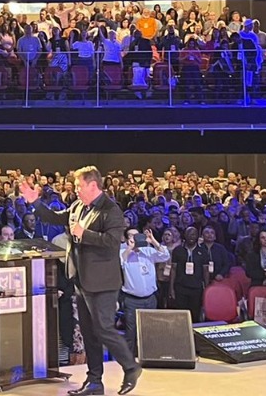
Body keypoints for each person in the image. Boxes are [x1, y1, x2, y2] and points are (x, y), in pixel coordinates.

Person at [19, 166, 142, 396]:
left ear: (93, 185)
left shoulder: (110, 209)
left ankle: (131, 367)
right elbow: (55, 218)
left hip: (103, 282)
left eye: (79, 185)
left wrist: (84, 233)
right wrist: (35, 202)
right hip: (81, 280)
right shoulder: (77, 206)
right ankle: (94, 381)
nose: (75, 189)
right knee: (88, 333)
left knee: (103, 328)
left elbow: (112, 241)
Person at [118, 228, 169, 359]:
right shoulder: (123, 252)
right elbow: (120, 262)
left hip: (150, 298)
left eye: (137, 235)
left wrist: (153, 241)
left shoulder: (148, 251)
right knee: (131, 332)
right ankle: (129, 360)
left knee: (149, 330)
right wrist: (130, 248)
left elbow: (165, 256)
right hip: (132, 300)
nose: (135, 238)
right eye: (131, 236)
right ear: (126, 239)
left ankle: (149, 357)